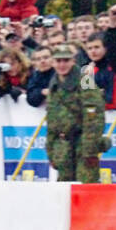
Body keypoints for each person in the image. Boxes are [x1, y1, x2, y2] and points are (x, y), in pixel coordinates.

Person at [45, 44, 109, 182]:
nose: (62, 65)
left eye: (66, 60)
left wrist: (90, 148)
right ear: (53, 62)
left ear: (73, 61)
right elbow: (51, 120)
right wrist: (50, 151)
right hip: (62, 145)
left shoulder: (85, 80)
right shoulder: (54, 83)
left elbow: (94, 115)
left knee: (86, 184)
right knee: (64, 187)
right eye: (58, 61)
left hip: (83, 142)